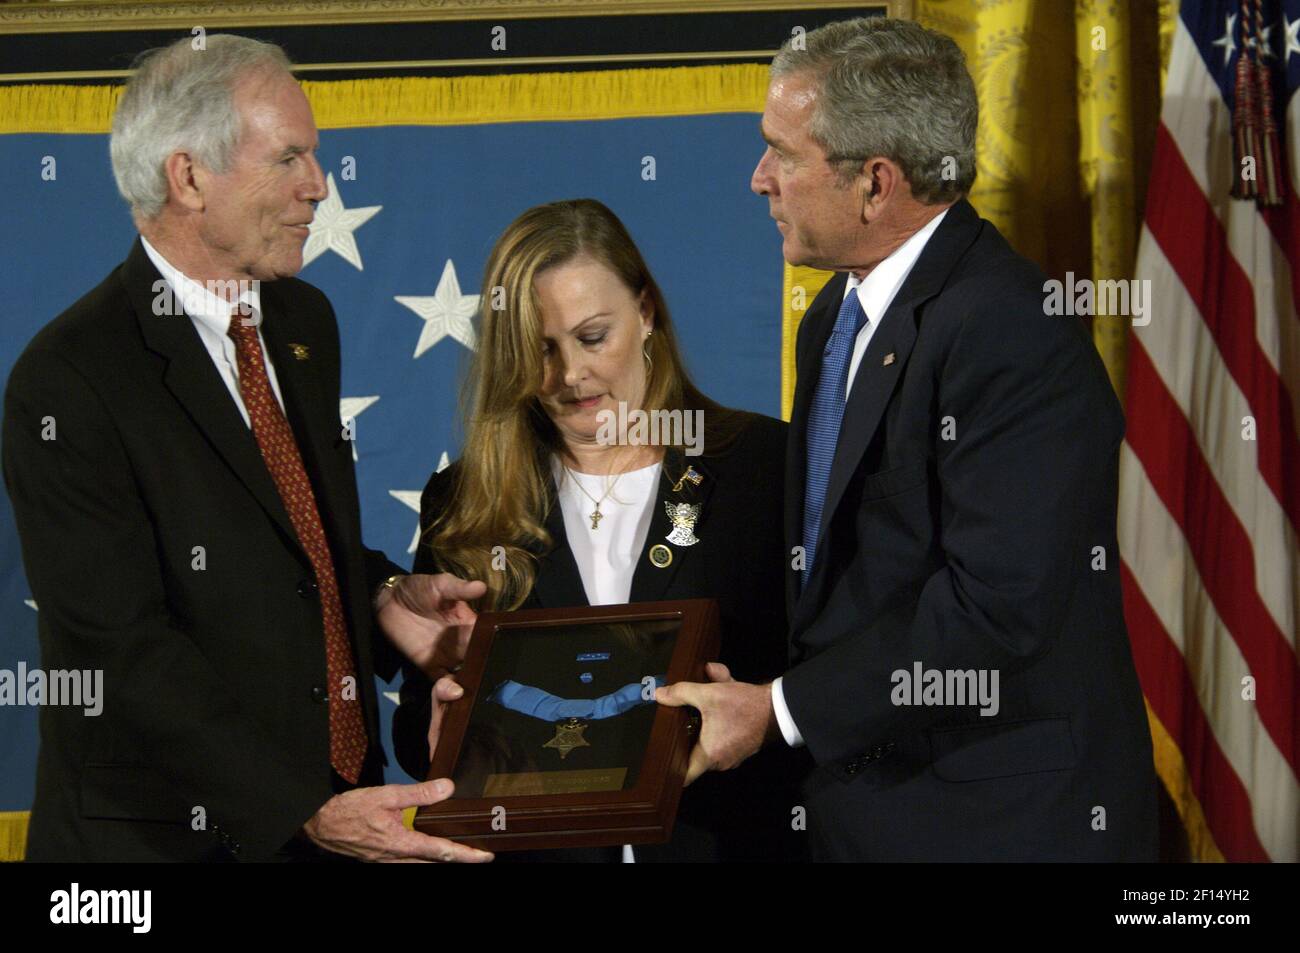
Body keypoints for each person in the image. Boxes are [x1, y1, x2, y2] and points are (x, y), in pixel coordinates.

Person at [656, 17, 1159, 861]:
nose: (758, 180)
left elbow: (995, 610)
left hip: (999, 826)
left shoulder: (1012, 329)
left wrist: (781, 710)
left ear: (875, 183)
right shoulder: (835, 317)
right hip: (866, 813)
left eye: (782, 152)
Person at [2, 34, 491, 863]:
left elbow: (282, 538)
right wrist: (302, 806)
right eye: (290, 158)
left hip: (331, 820)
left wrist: (380, 594)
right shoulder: (69, 379)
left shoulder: (303, 322)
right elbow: (123, 650)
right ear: (188, 177)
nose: (319, 186)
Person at [393, 199, 811, 862]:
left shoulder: (768, 466)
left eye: (593, 337)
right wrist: (442, 730)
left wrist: (762, 709)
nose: (570, 376)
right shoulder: (465, 499)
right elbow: (423, 712)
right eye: (539, 351)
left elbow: (838, 679)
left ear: (646, 313)